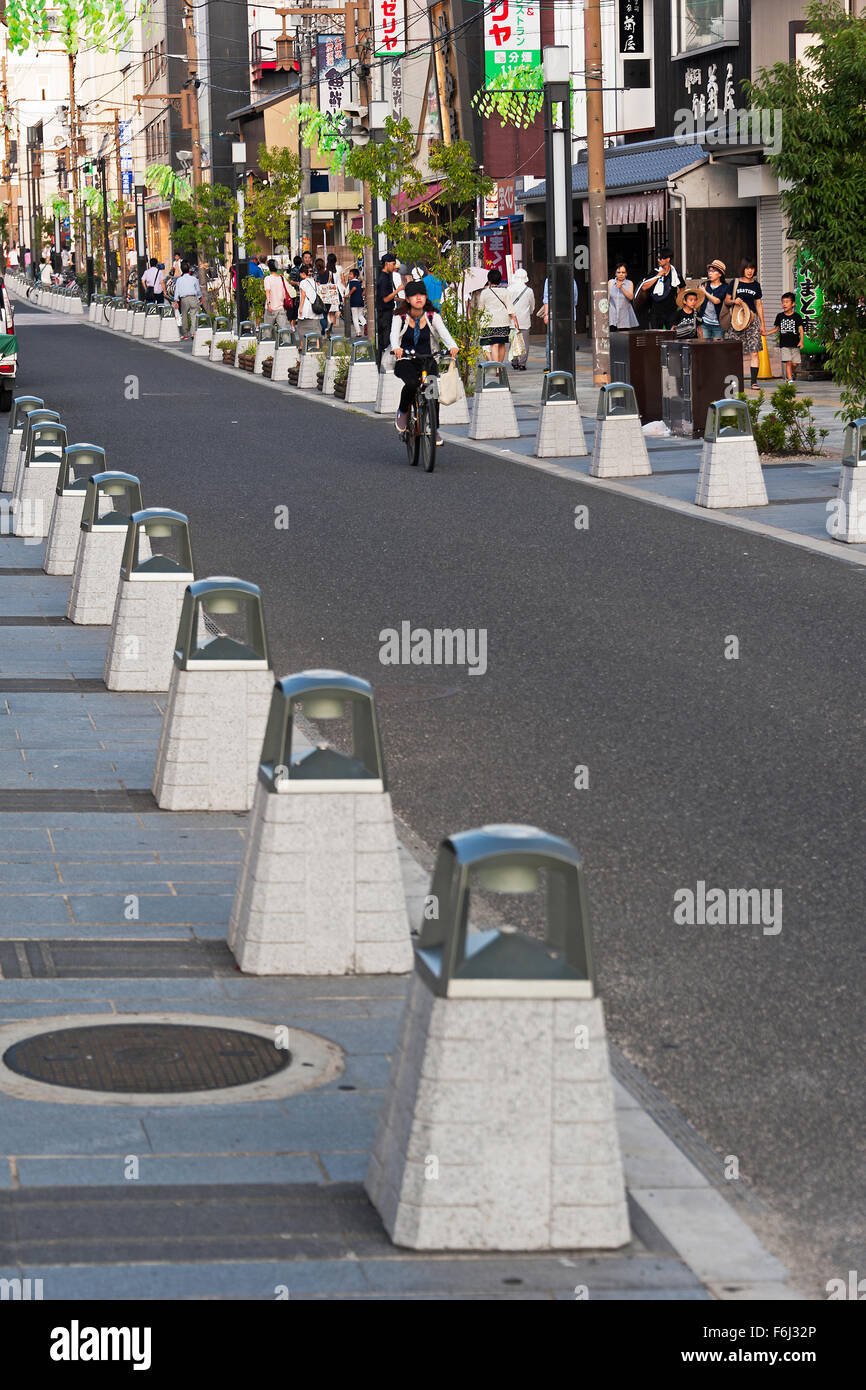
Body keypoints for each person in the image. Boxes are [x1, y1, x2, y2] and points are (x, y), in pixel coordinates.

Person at [391, 279, 459, 446]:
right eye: (414, 295)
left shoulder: (431, 316)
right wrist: (396, 348)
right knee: (412, 384)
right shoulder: (399, 316)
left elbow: (443, 333)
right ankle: (403, 412)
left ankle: (432, 428)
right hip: (406, 359)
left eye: (421, 294)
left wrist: (452, 346)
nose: (418, 298)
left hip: (428, 359)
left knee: (432, 392)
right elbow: (393, 335)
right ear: (407, 299)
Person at [726, 260, 766, 389]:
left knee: (754, 352)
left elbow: (758, 304)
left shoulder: (756, 285)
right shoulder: (735, 283)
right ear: (742, 269)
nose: (750, 271)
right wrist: (734, 301)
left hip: (752, 321)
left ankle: (753, 382)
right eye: (747, 268)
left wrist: (762, 324)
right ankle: (734, 381)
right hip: (737, 321)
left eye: (752, 268)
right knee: (735, 352)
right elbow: (726, 301)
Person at [538, 276, 579, 368]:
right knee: (568, 340)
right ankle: (567, 363)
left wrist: (546, 314)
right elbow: (575, 299)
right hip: (568, 314)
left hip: (553, 314)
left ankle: (549, 365)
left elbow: (546, 298)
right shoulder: (571, 280)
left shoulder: (549, 280)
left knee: (550, 340)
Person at [478, 268, 518, 363]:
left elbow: (481, 309)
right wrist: (515, 321)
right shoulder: (505, 292)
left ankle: (496, 367)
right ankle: (500, 366)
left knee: (493, 344)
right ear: (499, 280)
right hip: (503, 321)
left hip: (489, 321)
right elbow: (510, 308)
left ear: (489, 280)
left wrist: (479, 320)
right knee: (502, 344)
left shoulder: (484, 293)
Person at [639, 248, 682, 329]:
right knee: (656, 336)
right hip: (656, 310)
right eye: (657, 258)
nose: (658, 260)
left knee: (671, 335)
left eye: (661, 258)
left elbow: (682, 288)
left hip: (671, 310)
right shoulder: (654, 272)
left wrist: (677, 300)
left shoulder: (675, 273)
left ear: (668, 259)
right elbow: (644, 287)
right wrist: (658, 276)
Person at [772, 293, 805, 383]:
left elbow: (801, 329)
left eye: (787, 302)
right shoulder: (780, 316)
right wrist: (766, 333)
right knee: (788, 362)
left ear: (793, 304)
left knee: (795, 363)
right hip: (784, 344)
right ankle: (790, 379)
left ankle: (791, 373)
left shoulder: (797, 316)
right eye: (783, 302)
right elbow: (776, 328)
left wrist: (801, 341)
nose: (784, 304)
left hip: (795, 343)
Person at [375, 252, 401, 364]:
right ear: (386, 263)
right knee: (385, 340)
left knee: (386, 338)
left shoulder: (385, 277)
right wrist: (398, 290)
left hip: (386, 311)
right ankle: (384, 364)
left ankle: (383, 363)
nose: (394, 266)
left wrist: (403, 300)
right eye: (393, 264)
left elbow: (389, 297)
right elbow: (385, 299)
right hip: (384, 313)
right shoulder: (383, 278)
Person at [508, 268, 535, 369]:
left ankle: (514, 361)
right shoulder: (529, 291)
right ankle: (522, 363)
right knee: (524, 342)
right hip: (525, 319)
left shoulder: (509, 289)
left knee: (514, 340)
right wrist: (530, 312)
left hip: (512, 320)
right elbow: (532, 305)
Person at [701, 259, 730, 339]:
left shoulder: (725, 287)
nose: (710, 273)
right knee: (703, 347)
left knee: (717, 349)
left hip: (718, 324)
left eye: (713, 271)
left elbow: (717, 301)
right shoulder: (705, 284)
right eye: (709, 271)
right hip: (705, 323)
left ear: (720, 274)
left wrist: (704, 292)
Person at [173, 259, 201, 338]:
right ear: (189, 269)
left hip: (184, 299)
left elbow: (177, 291)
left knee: (184, 316)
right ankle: (193, 333)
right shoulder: (194, 279)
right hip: (193, 298)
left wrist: (176, 301)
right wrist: (200, 297)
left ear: (181, 270)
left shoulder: (179, 280)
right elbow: (198, 290)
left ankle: (185, 334)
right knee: (194, 315)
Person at [263, 258, 291, 332]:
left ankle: (268, 343)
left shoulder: (267, 279)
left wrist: (269, 303)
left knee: (267, 331)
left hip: (270, 308)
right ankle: (287, 343)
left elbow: (268, 291)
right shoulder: (282, 278)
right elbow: (287, 290)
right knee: (284, 330)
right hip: (281, 307)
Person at [608, 263, 639, 330]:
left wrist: (621, 288)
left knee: (624, 337)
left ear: (626, 274)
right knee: (612, 335)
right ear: (615, 273)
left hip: (624, 315)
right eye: (618, 272)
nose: (621, 274)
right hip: (612, 314)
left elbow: (631, 297)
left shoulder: (629, 283)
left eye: (623, 272)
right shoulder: (611, 282)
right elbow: (607, 298)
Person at [347, 265, 366, 336]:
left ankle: (358, 332)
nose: (349, 275)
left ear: (355, 276)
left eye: (350, 274)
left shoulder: (352, 282)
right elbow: (363, 292)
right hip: (360, 301)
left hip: (354, 301)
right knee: (360, 315)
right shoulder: (359, 283)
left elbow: (354, 288)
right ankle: (365, 323)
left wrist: (348, 294)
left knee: (354, 317)